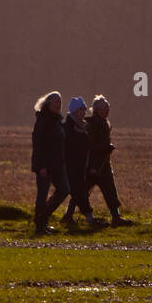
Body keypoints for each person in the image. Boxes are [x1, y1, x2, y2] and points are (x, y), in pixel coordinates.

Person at [83, 95, 132, 226]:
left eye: (108, 107)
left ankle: (116, 217)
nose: (108, 109)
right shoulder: (92, 125)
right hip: (94, 165)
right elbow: (90, 146)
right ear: (97, 109)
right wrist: (105, 149)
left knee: (110, 191)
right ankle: (69, 216)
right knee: (83, 192)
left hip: (103, 164)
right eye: (105, 107)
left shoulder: (104, 123)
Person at [61, 97, 104, 228]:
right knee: (78, 193)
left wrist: (90, 166)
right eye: (80, 110)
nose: (83, 113)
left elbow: (87, 150)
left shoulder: (83, 127)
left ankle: (67, 217)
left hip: (81, 168)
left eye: (84, 110)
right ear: (74, 111)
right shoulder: (67, 128)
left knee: (77, 194)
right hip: (70, 168)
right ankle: (90, 219)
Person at [31, 91, 68, 235]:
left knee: (64, 189)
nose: (59, 104)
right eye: (56, 101)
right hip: (45, 165)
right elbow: (38, 144)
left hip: (58, 164)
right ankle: (40, 225)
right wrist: (41, 166)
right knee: (42, 194)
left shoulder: (57, 120)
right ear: (48, 104)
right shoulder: (43, 120)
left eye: (60, 101)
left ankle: (42, 218)